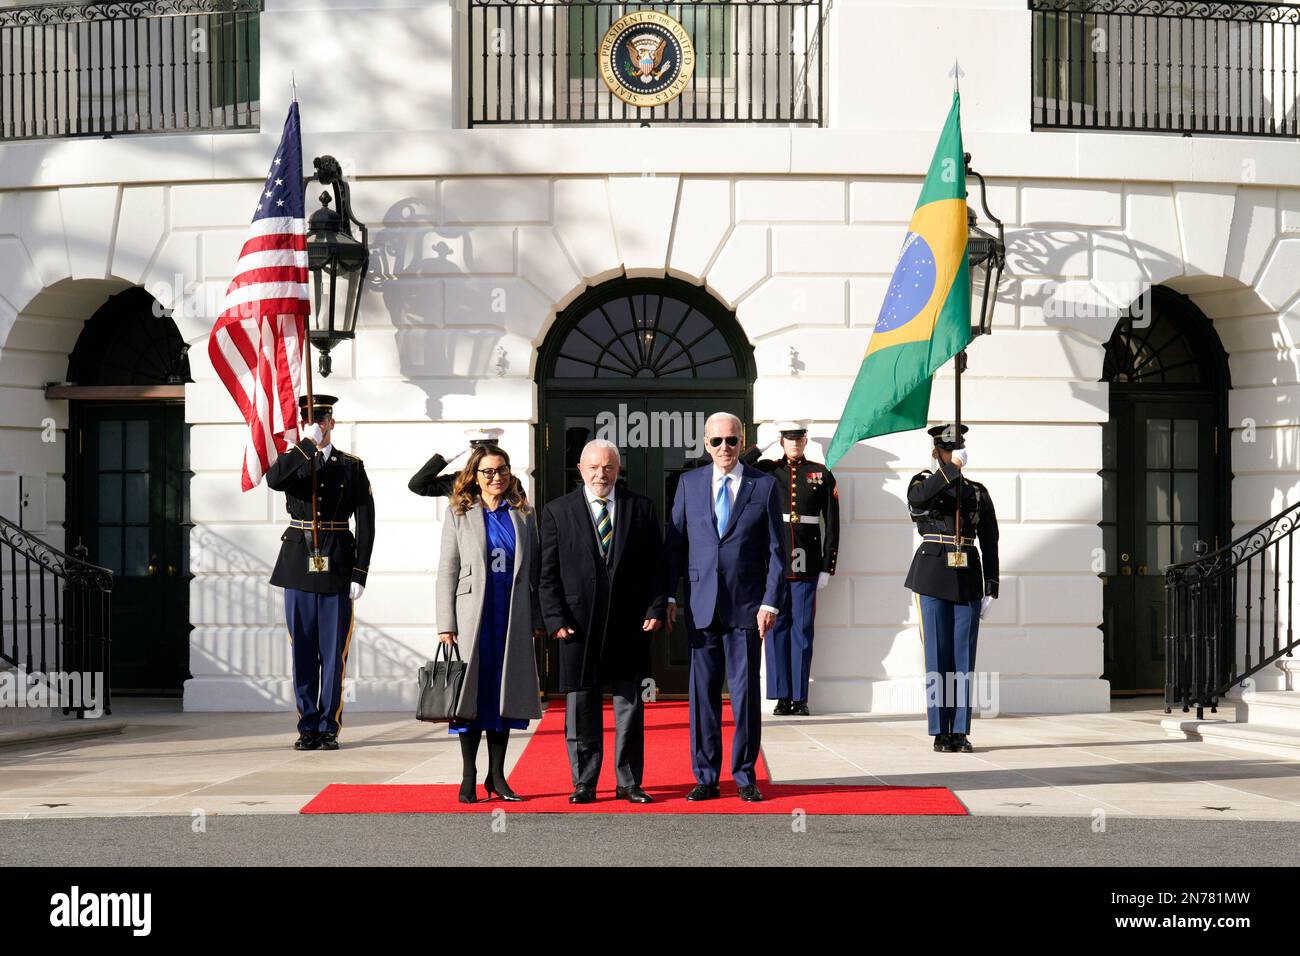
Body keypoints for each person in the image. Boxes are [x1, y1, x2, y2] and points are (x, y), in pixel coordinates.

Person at [538, 438, 667, 805]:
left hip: (630, 624)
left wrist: (656, 607)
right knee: (581, 707)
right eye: (593, 467)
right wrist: (555, 618)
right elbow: (546, 574)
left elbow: (656, 566)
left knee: (629, 705)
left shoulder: (640, 508)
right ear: (581, 470)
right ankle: (584, 781)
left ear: (618, 470)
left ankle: (628, 781)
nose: (601, 473)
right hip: (578, 625)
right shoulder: (557, 512)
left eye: (608, 467)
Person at [666, 412, 786, 802]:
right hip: (701, 608)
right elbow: (675, 545)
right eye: (716, 442)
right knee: (702, 696)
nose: (724, 449)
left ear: (741, 441)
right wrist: (670, 596)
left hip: (747, 609)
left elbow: (776, 552)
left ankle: (746, 775)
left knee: (746, 694)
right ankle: (705, 776)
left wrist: (770, 601)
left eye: (731, 441)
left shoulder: (764, 486)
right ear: (705, 444)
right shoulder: (688, 483)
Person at [266, 394, 375, 751]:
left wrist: (360, 571)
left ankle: (329, 725)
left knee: (333, 652)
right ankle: (307, 724)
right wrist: (306, 445)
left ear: (331, 422)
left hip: (338, 562)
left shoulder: (351, 466)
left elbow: (367, 522)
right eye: (310, 421)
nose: (317, 426)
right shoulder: (294, 460)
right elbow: (274, 480)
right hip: (298, 563)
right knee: (303, 651)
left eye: (321, 421)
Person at [435, 444, 544, 802]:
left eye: (502, 470)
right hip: (472, 619)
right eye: (488, 472)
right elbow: (447, 570)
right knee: (472, 697)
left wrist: (537, 616)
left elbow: (536, 570)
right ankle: (469, 775)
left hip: (511, 615)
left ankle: (497, 777)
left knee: (504, 695)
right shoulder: (460, 512)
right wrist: (445, 623)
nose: (496, 477)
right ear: (475, 476)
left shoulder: (524, 514)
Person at [905, 423, 1000, 754]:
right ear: (936, 452)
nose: (952, 453)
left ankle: (959, 729)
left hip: (967, 576)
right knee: (937, 657)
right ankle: (939, 730)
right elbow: (918, 500)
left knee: (963, 658)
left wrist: (992, 586)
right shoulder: (924, 482)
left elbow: (990, 539)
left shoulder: (976, 491)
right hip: (931, 574)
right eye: (946, 450)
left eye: (956, 449)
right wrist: (950, 470)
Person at [741, 421, 840, 716]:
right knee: (775, 629)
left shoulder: (821, 474)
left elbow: (832, 523)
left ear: (805, 441)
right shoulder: (767, 470)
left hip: (808, 562)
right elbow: (739, 465)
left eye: (798, 439)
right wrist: (762, 446)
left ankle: (800, 696)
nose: (794, 444)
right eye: (788, 439)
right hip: (773, 563)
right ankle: (781, 695)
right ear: (782, 441)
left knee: (802, 630)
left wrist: (827, 565)